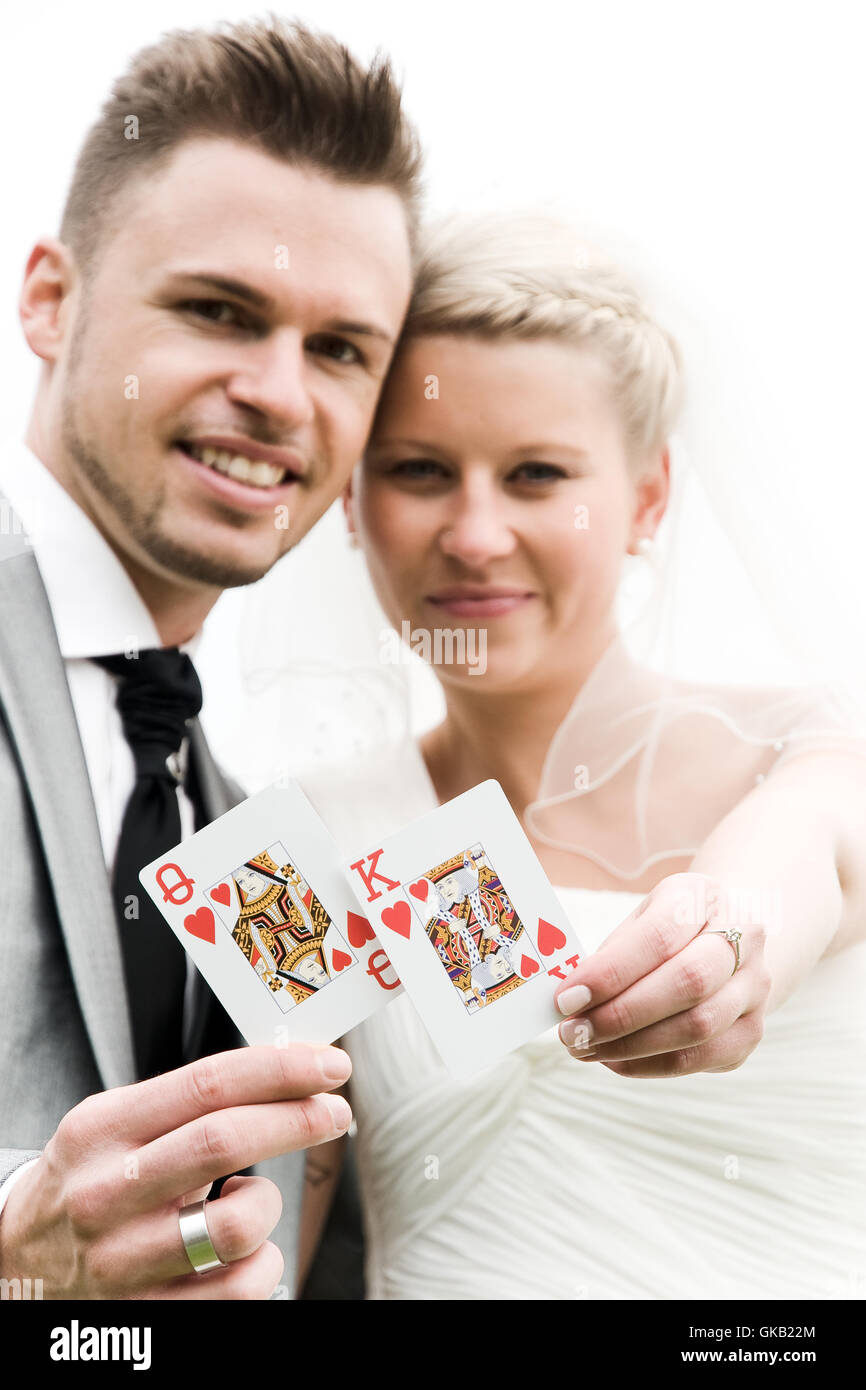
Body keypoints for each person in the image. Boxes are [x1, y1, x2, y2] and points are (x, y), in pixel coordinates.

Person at [297, 212, 866, 1299]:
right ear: (349, 502)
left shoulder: (818, 750)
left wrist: (732, 940)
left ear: (645, 498)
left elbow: (800, 855)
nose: (471, 534)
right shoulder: (293, 839)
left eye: (535, 474)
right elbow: (270, 1225)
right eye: (418, 470)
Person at [0, 16, 420, 1299]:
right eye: (217, 311)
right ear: (50, 302)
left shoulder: (251, 830)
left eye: (340, 348)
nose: (281, 395)